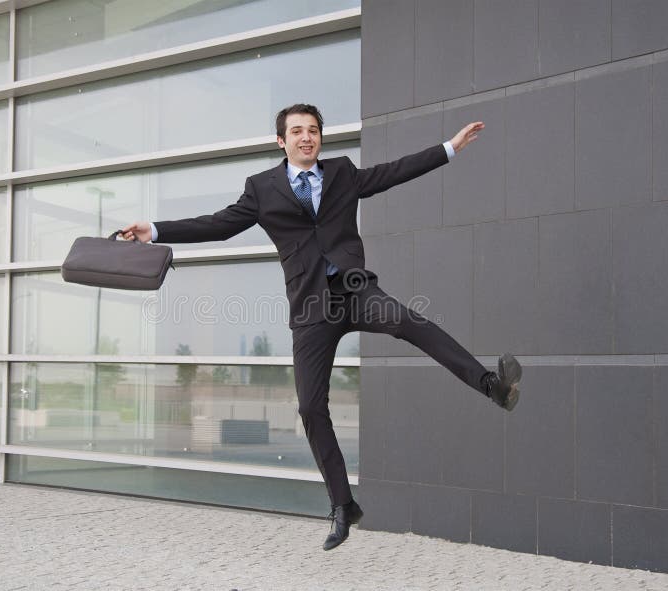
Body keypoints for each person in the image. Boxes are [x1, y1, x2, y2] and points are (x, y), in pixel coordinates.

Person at [122, 104, 522, 551]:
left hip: (355, 290)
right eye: (297, 131)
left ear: (320, 137)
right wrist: (155, 230)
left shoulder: (343, 174)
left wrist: (449, 148)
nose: (306, 137)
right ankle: (342, 505)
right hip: (311, 306)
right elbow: (218, 225)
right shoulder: (261, 188)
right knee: (311, 408)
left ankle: (491, 385)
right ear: (282, 141)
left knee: (412, 323)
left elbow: (394, 172)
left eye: (312, 130)